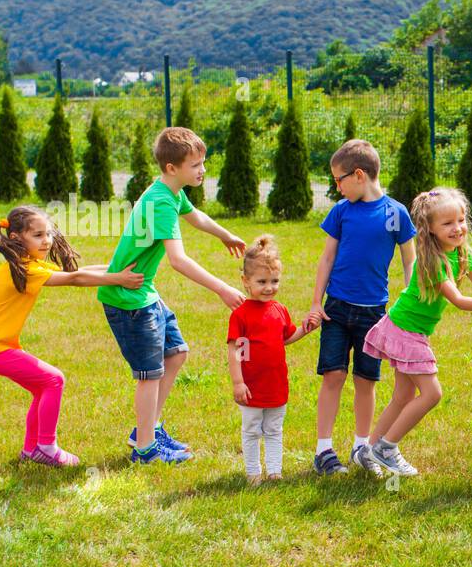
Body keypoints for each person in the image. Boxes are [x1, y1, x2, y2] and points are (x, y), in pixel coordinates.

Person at [98, 126, 247, 464]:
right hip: (128, 298)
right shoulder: (160, 203)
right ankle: (146, 449)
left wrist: (225, 235)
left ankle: (147, 430)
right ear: (172, 168)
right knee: (149, 374)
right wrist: (222, 288)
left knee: (176, 354)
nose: (202, 170)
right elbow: (178, 261)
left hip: (143, 293)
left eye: (203, 162)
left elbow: (196, 217)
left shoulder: (171, 192)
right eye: (195, 165)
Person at [361, 188, 472, 476]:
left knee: (402, 396)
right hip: (405, 330)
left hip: (408, 329)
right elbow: (459, 301)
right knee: (432, 393)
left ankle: (368, 449)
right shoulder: (433, 260)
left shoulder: (462, 254)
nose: (457, 228)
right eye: (447, 223)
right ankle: (387, 447)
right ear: (430, 229)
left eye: (460, 220)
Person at [0, 205, 144, 467]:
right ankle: (46, 447)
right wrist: (117, 278)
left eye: (48, 233)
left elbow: (76, 272)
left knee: (43, 387)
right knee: (53, 379)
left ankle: (32, 450)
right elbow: (74, 279)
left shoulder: (27, 264)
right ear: (17, 238)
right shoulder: (27, 269)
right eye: (38, 235)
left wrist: (115, 268)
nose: (47, 240)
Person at [307, 139, 416, 476]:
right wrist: (315, 302)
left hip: (374, 315)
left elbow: (409, 261)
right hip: (336, 309)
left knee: (366, 380)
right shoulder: (342, 211)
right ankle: (323, 450)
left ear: (358, 175)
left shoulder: (396, 213)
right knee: (333, 375)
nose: (335, 188)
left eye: (338, 180)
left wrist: (409, 305)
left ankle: (361, 446)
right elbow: (327, 258)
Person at [227, 236, 319, 485]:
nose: (269, 287)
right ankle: (253, 472)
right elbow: (235, 351)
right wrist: (238, 382)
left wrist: (306, 328)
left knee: (274, 429)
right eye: (262, 282)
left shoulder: (279, 310)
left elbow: (286, 337)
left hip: (276, 383)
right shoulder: (240, 315)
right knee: (251, 430)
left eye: (274, 281)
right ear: (245, 282)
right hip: (251, 386)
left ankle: (275, 470)